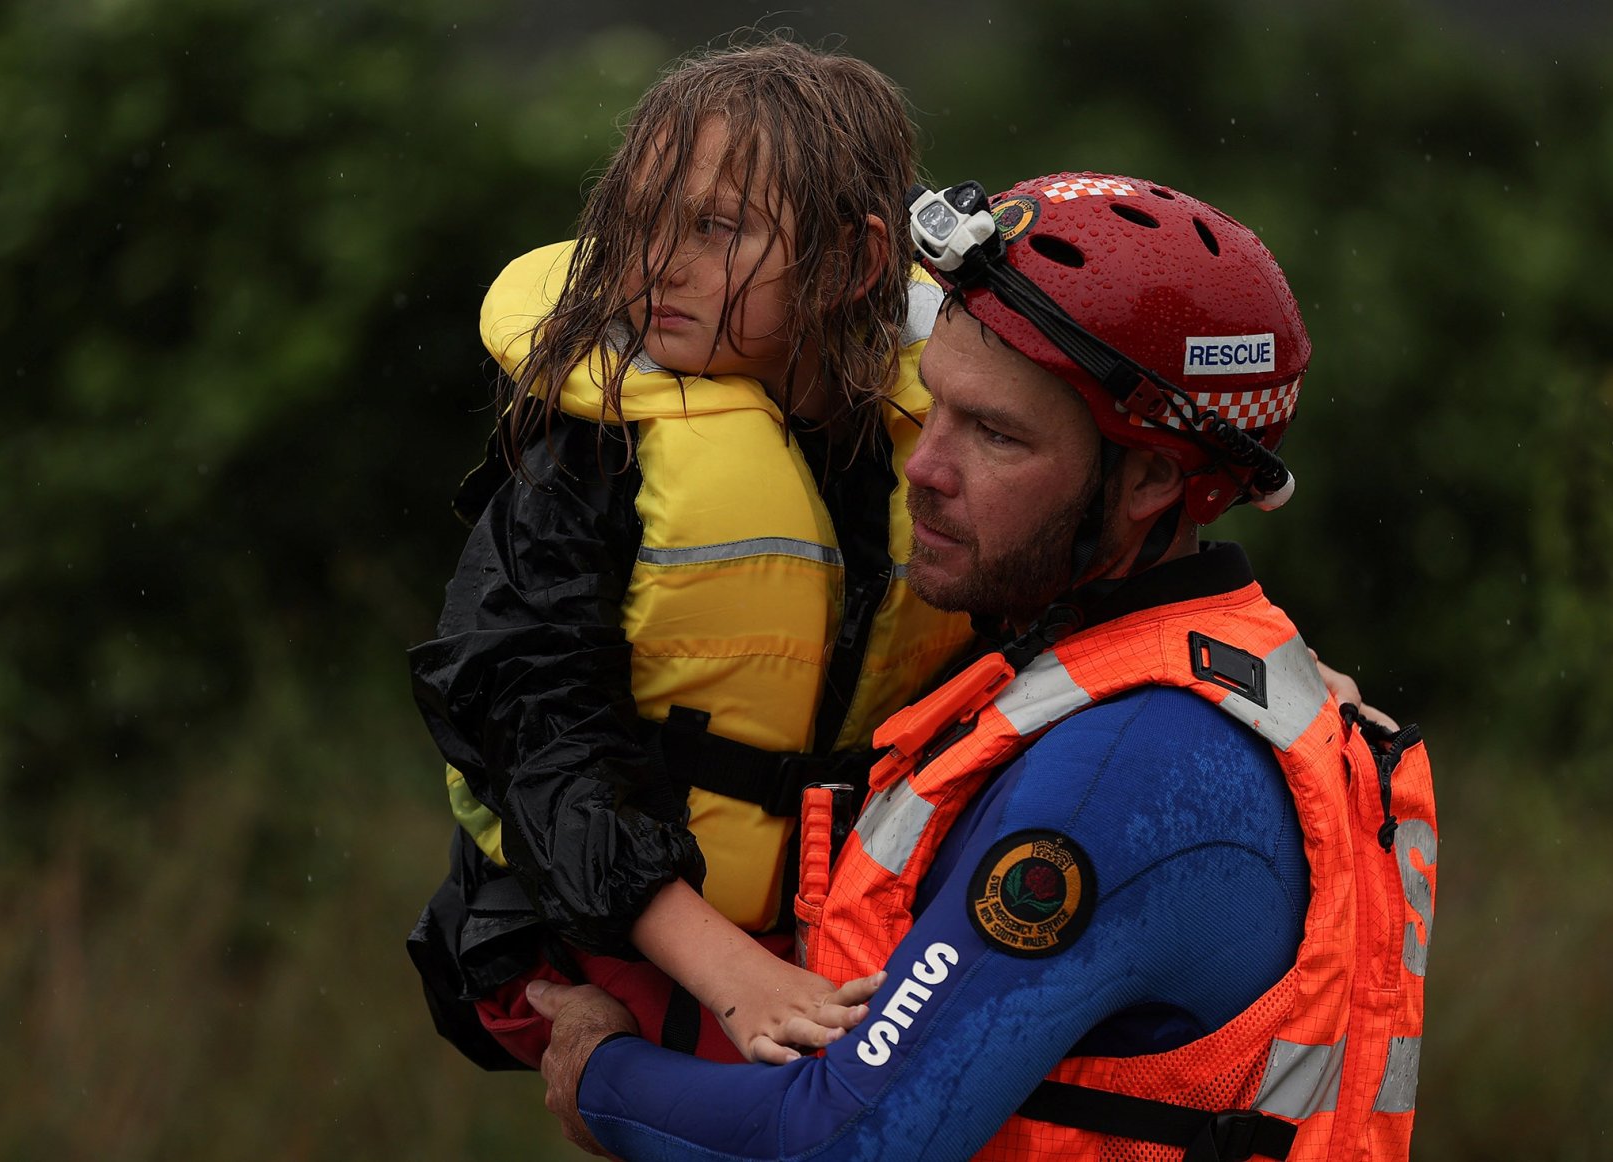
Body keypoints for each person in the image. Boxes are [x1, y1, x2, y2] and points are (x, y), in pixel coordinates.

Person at [527, 173, 1439, 1161]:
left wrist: (597, 1072)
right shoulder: (1160, 663)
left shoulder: (1127, 767)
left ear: (1146, 482)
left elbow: (840, 1145)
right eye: (933, 405)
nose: (924, 465)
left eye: (996, 434)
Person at [405, 39, 976, 1072]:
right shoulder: (594, 444)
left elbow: (1082, 607)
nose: (654, 263)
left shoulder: (939, 429)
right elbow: (530, 725)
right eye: (640, 218)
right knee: (813, 1105)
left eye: (714, 228)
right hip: (584, 929)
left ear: (852, 260)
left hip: (822, 920)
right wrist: (729, 970)